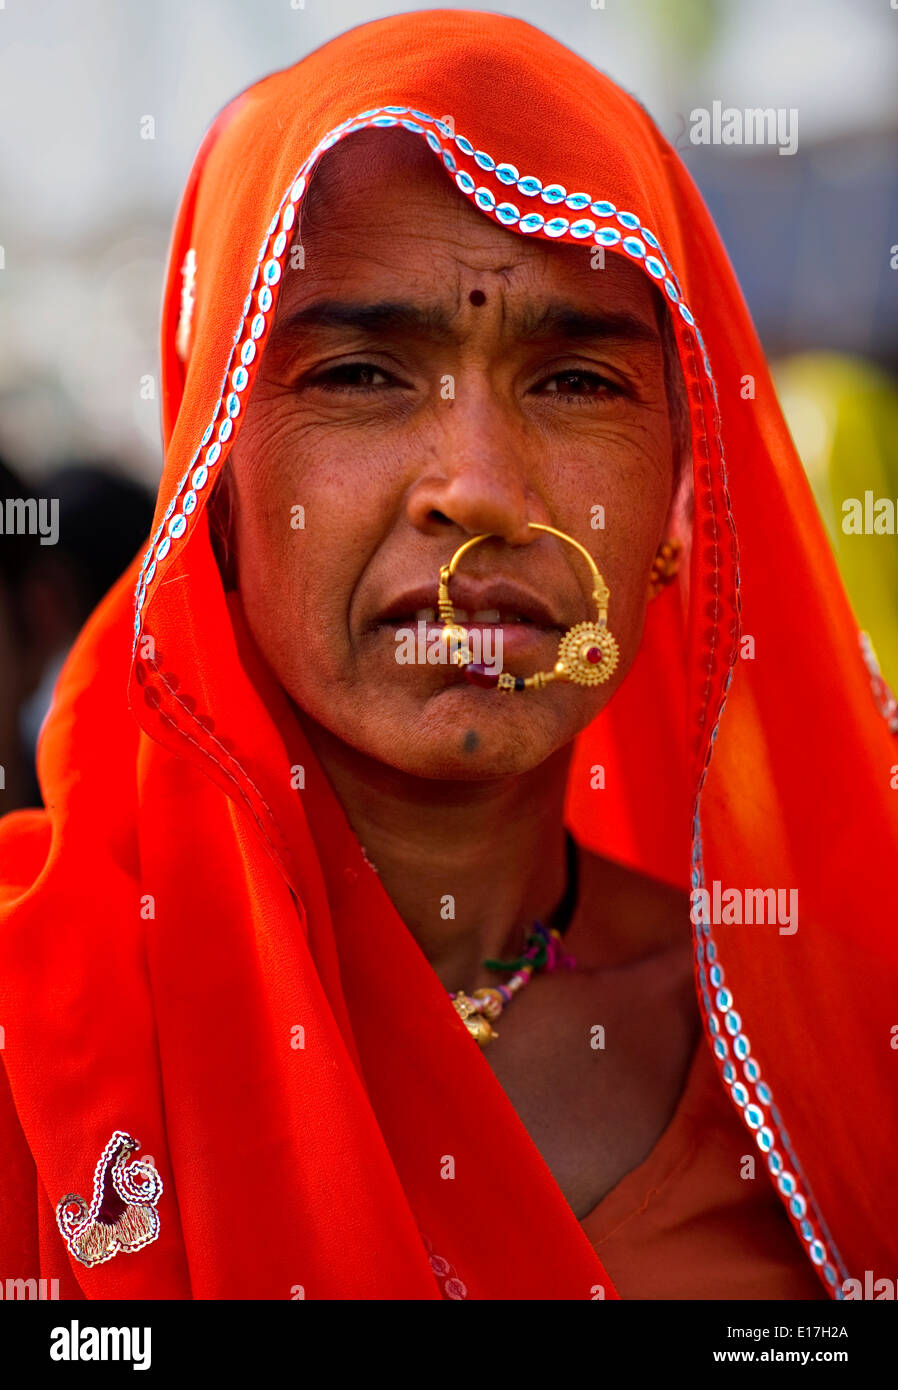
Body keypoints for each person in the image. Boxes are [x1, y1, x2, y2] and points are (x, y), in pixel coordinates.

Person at [0, 9, 895, 1302]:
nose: (479, 489)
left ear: (678, 497)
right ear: (215, 481)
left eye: (576, 381)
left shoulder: (830, 1035)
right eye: (361, 372)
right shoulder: (42, 1018)